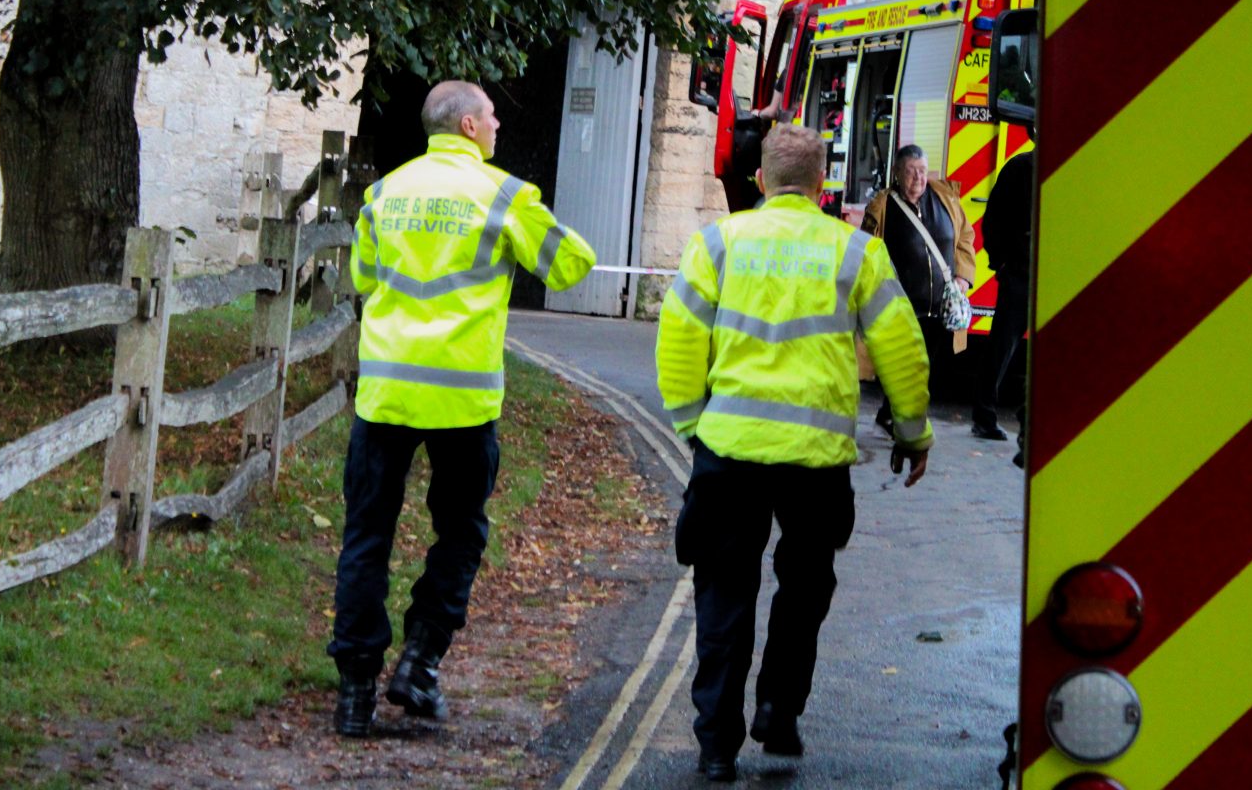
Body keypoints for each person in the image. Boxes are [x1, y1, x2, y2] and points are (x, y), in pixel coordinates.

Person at [657, 124, 933, 783]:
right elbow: (900, 346)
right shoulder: (856, 252)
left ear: (760, 180)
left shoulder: (718, 244)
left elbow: (679, 337)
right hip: (816, 458)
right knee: (805, 588)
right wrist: (912, 432)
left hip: (730, 452)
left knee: (724, 593)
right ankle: (778, 712)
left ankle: (716, 746)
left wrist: (692, 424)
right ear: (820, 186)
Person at [330, 80, 597, 738]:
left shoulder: (384, 194)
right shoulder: (504, 196)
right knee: (461, 532)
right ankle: (420, 660)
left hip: (387, 392)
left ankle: (355, 692)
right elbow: (571, 266)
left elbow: (362, 279)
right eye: (494, 115)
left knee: (367, 535)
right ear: (470, 127)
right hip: (462, 397)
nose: (501, 124)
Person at [860, 145, 995, 438]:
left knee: (926, 366)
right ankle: (906, 421)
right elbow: (868, 251)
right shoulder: (883, 206)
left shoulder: (944, 197)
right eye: (911, 171)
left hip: (940, 306)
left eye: (922, 171)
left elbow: (965, 237)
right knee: (909, 366)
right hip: (902, 304)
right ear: (897, 173)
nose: (918, 178)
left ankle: (891, 414)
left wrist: (963, 276)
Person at [981, 143, 1034, 457]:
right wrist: (1001, 262)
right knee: (1003, 346)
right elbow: (994, 219)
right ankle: (984, 414)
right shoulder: (1020, 168)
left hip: (1047, 275)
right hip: (1020, 274)